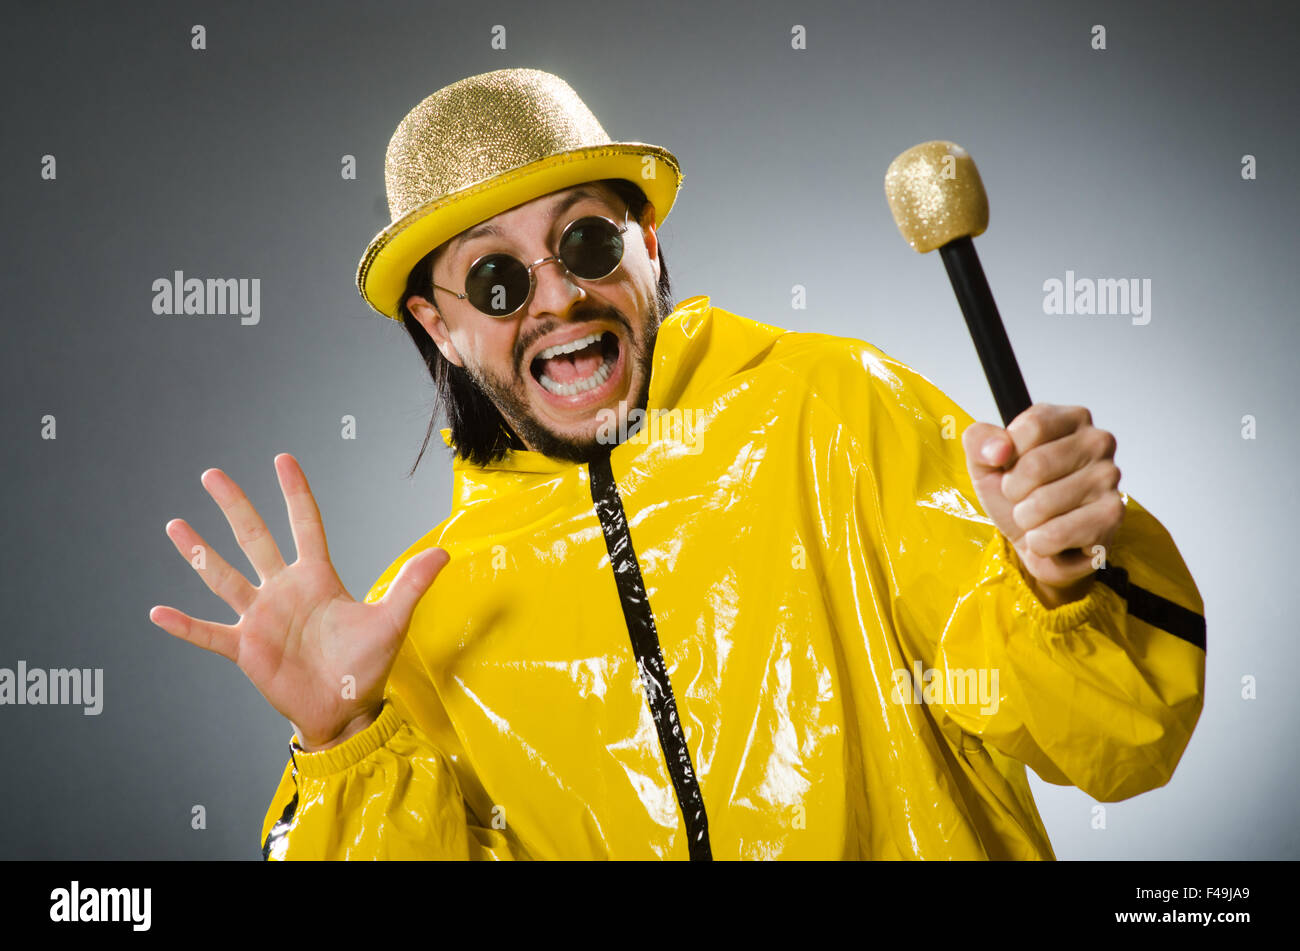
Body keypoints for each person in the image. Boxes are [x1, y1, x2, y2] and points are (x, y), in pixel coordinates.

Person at [150, 68, 1206, 860]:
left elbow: (1119, 740)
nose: (558, 297)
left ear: (647, 245)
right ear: (440, 327)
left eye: (588, 244)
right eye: (498, 281)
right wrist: (340, 736)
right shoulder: (415, 624)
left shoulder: (834, 412)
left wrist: (1059, 581)